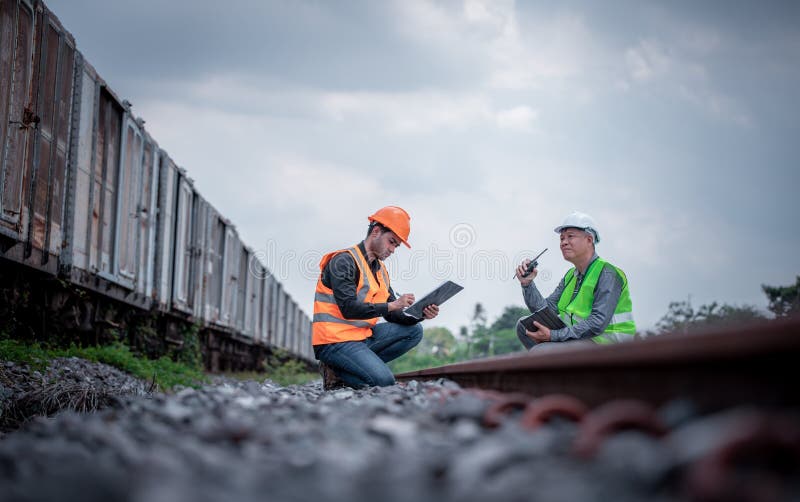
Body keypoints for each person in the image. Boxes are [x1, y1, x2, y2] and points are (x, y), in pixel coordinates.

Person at [312, 206, 439, 389]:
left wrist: (421, 314)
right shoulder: (343, 261)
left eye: (396, 245)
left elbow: (392, 314)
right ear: (376, 232)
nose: (393, 249)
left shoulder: (380, 271)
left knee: (414, 331)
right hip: (334, 341)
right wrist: (393, 305)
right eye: (391, 242)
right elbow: (349, 308)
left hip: (361, 338)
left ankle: (345, 368)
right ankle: (339, 368)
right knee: (384, 382)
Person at [515, 211, 635, 350]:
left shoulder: (608, 274)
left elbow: (597, 323)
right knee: (523, 326)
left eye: (570, 236)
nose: (564, 243)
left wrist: (553, 336)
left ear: (589, 240)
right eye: (561, 238)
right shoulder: (570, 276)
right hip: (581, 339)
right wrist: (527, 284)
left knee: (540, 352)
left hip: (608, 345)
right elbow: (544, 311)